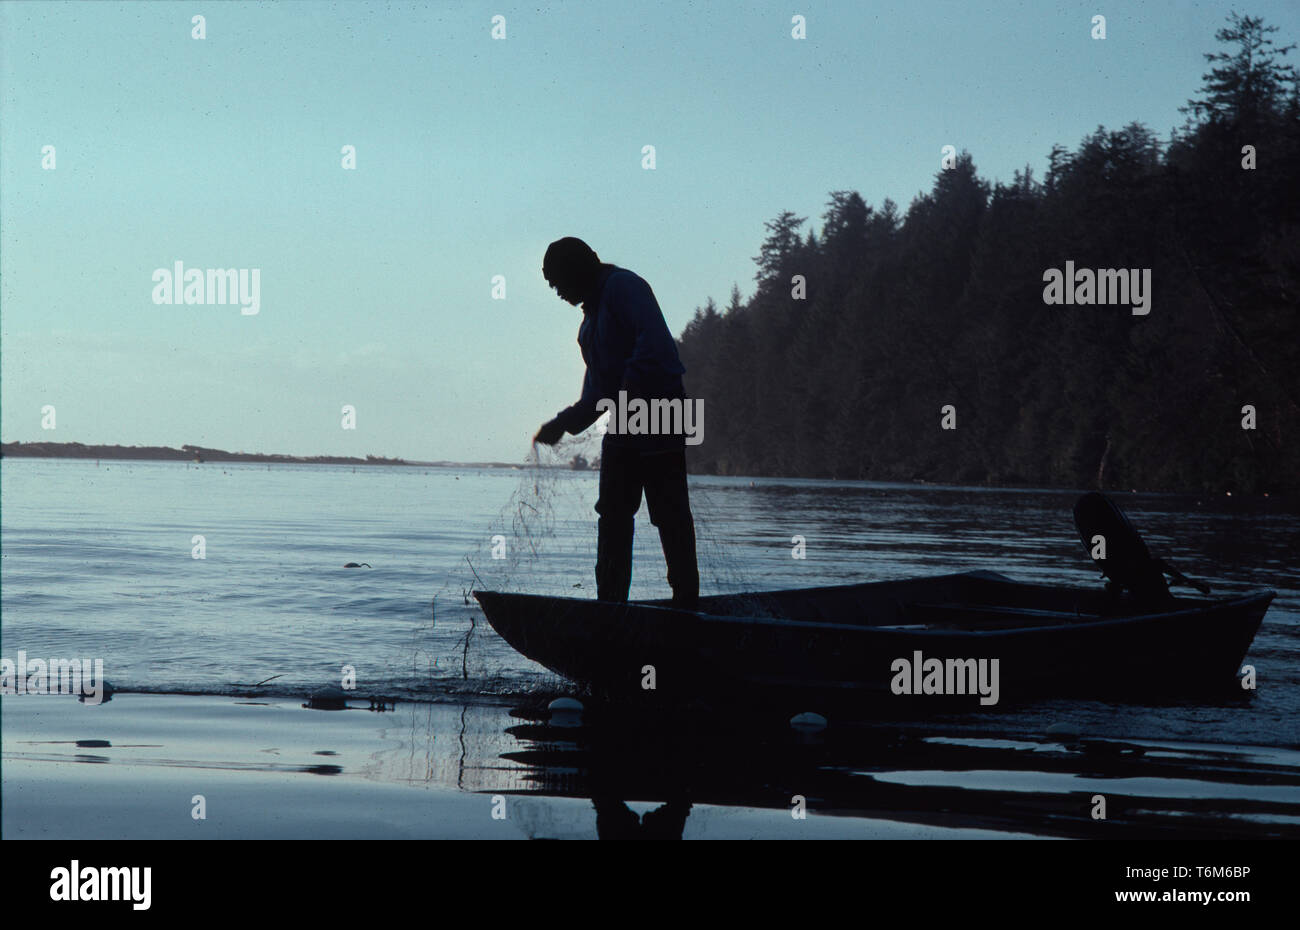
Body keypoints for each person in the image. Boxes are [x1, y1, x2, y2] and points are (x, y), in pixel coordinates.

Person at [533, 237, 699, 609]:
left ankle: (687, 603)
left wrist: (626, 390)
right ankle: (609, 607)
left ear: (580, 268)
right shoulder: (589, 327)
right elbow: (597, 395)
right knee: (613, 513)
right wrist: (563, 423)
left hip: (663, 410)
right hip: (627, 417)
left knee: (668, 514)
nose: (556, 291)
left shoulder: (625, 287)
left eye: (558, 281)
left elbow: (657, 345)